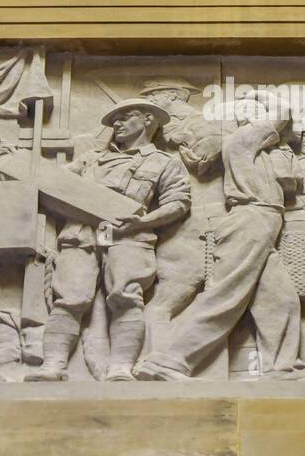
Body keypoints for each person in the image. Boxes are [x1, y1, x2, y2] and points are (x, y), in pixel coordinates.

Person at [135, 91, 300, 380]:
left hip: (264, 221)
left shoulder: (263, 151)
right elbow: (283, 112)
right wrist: (261, 95)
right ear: (247, 119)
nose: (263, 119)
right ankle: (171, 359)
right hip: (251, 219)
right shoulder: (243, 139)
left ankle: (281, 367)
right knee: (226, 294)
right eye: (255, 113)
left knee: (280, 297)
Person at [36, 98, 191, 381]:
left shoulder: (163, 162)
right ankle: (53, 364)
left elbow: (179, 202)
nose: (116, 123)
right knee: (70, 298)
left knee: (126, 297)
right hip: (81, 232)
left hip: (129, 234)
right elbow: (53, 183)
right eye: (113, 120)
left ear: (148, 120)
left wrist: (143, 221)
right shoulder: (92, 159)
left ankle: (121, 367)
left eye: (125, 116)